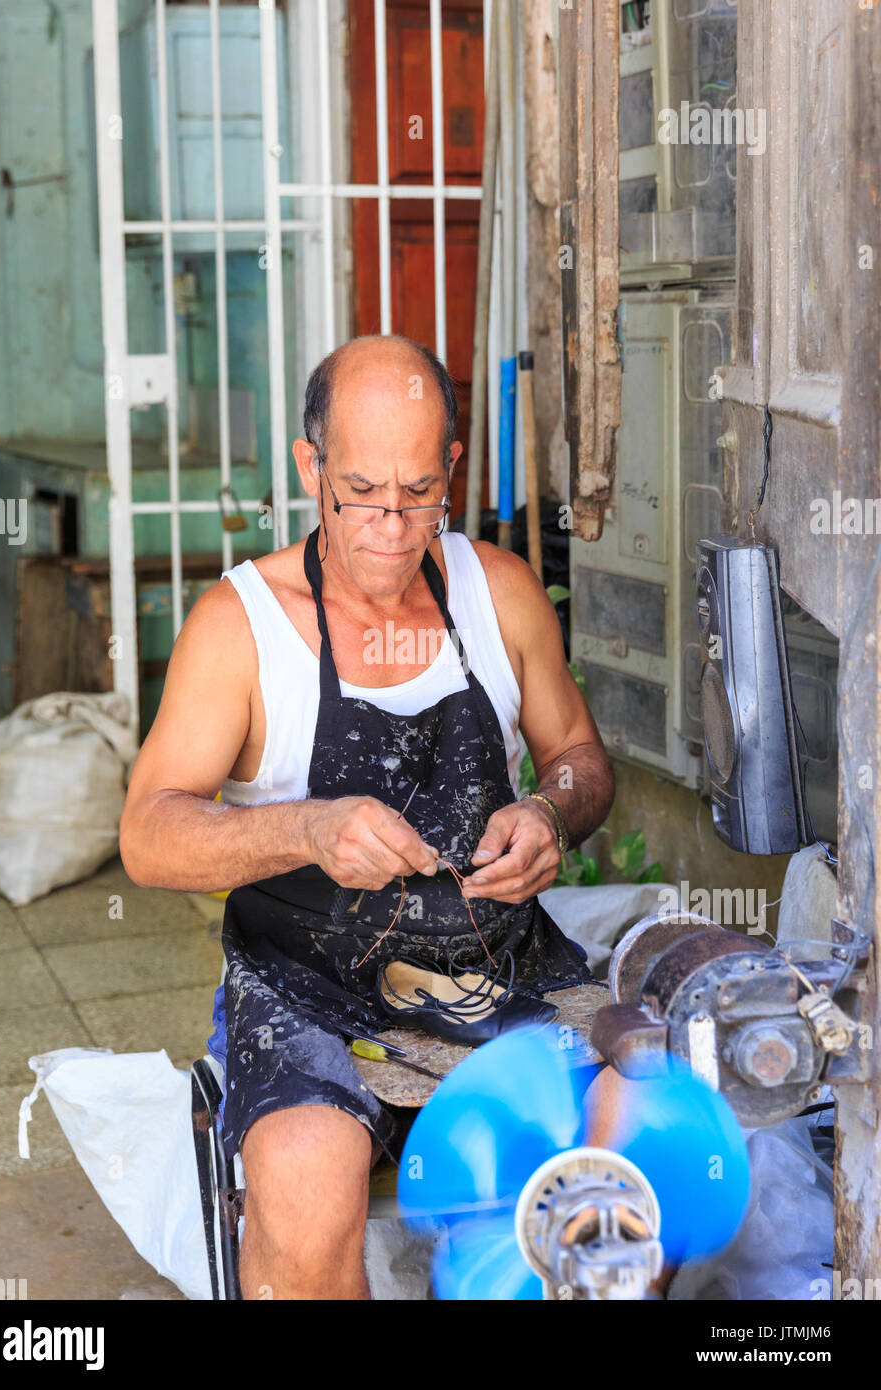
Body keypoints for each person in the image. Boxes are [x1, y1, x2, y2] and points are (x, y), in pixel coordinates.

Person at [120, 334, 615, 1299]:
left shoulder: (498, 592)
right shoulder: (244, 626)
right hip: (305, 987)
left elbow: (579, 759)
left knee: (617, 1158)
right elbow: (147, 833)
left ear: (452, 473)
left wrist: (552, 816)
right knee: (307, 1186)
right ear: (310, 468)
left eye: (420, 494)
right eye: (362, 493)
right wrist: (304, 829)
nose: (393, 526)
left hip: (496, 969)